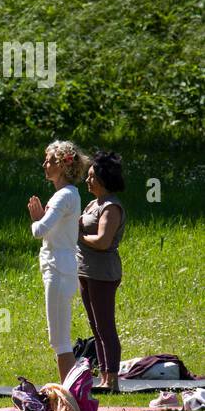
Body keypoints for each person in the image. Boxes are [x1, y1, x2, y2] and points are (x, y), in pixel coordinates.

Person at [27, 140, 87, 381]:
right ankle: (70, 390)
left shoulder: (64, 196)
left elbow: (39, 230)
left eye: (50, 160)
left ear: (63, 165)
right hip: (57, 265)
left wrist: (36, 219)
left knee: (59, 337)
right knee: (58, 336)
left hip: (59, 268)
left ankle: (72, 392)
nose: (44, 164)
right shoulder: (65, 194)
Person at [77, 150, 126, 392]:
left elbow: (103, 241)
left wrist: (79, 236)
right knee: (95, 326)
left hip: (103, 274)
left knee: (106, 326)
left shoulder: (111, 207)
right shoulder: (91, 203)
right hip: (86, 271)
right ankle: (104, 377)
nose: (87, 180)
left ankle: (113, 379)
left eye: (91, 176)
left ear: (103, 179)